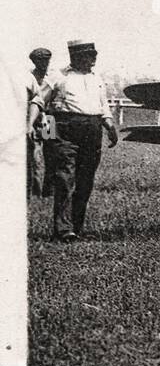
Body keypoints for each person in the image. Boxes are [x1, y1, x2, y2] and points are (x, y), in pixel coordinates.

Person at [28, 39, 119, 242]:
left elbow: (103, 106)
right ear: (76, 57)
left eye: (94, 54)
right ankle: (64, 229)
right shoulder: (58, 77)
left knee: (85, 181)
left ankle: (76, 226)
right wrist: (30, 125)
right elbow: (38, 101)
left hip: (92, 130)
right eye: (90, 55)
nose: (94, 58)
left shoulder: (97, 78)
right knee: (64, 178)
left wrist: (110, 126)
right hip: (65, 129)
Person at [26, 47, 54, 197]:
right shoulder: (29, 77)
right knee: (35, 156)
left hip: (49, 119)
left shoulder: (54, 77)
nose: (44, 63)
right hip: (35, 119)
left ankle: (48, 191)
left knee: (51, 154)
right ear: (34, 61)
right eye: (40, 60)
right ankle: (36, 192)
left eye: (46, 60)